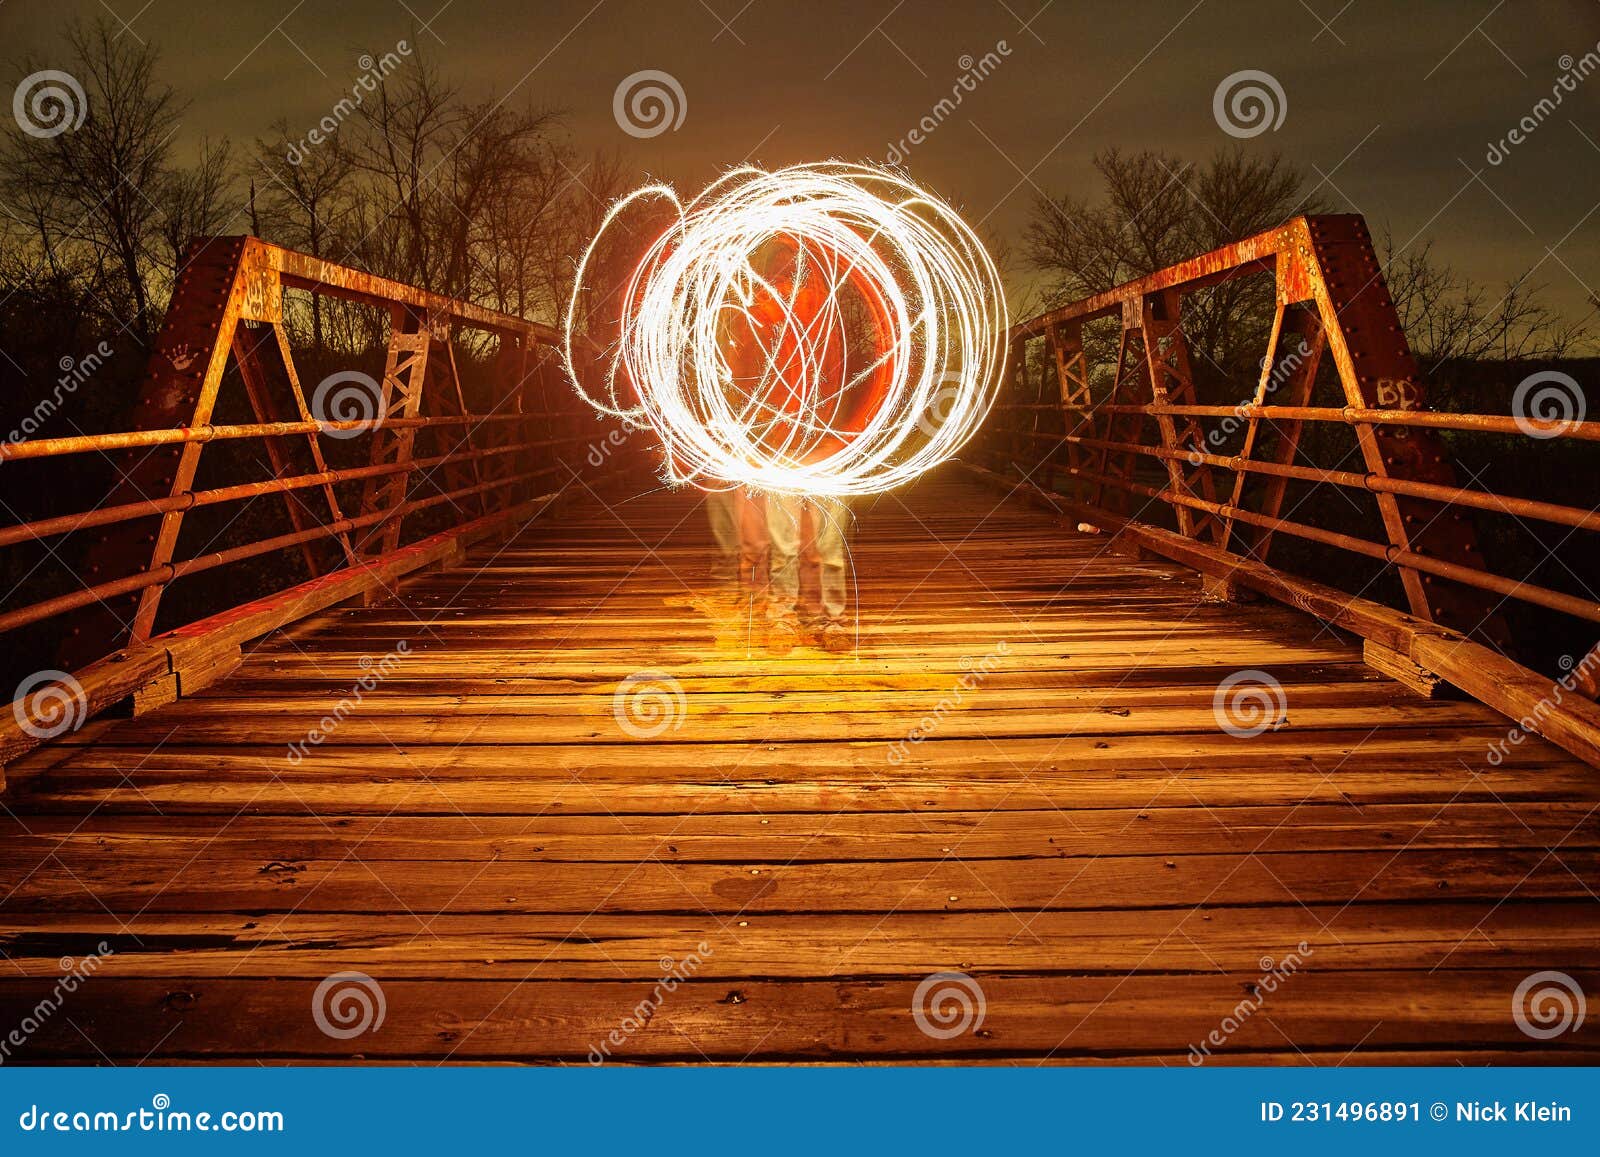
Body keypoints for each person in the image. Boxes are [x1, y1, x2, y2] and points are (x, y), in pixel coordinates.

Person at [766, 494, 852, 653]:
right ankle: (783, 619)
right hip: (783, 470)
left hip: (828, 471)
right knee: (783, 550)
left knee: (831, 547)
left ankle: (833, 620)